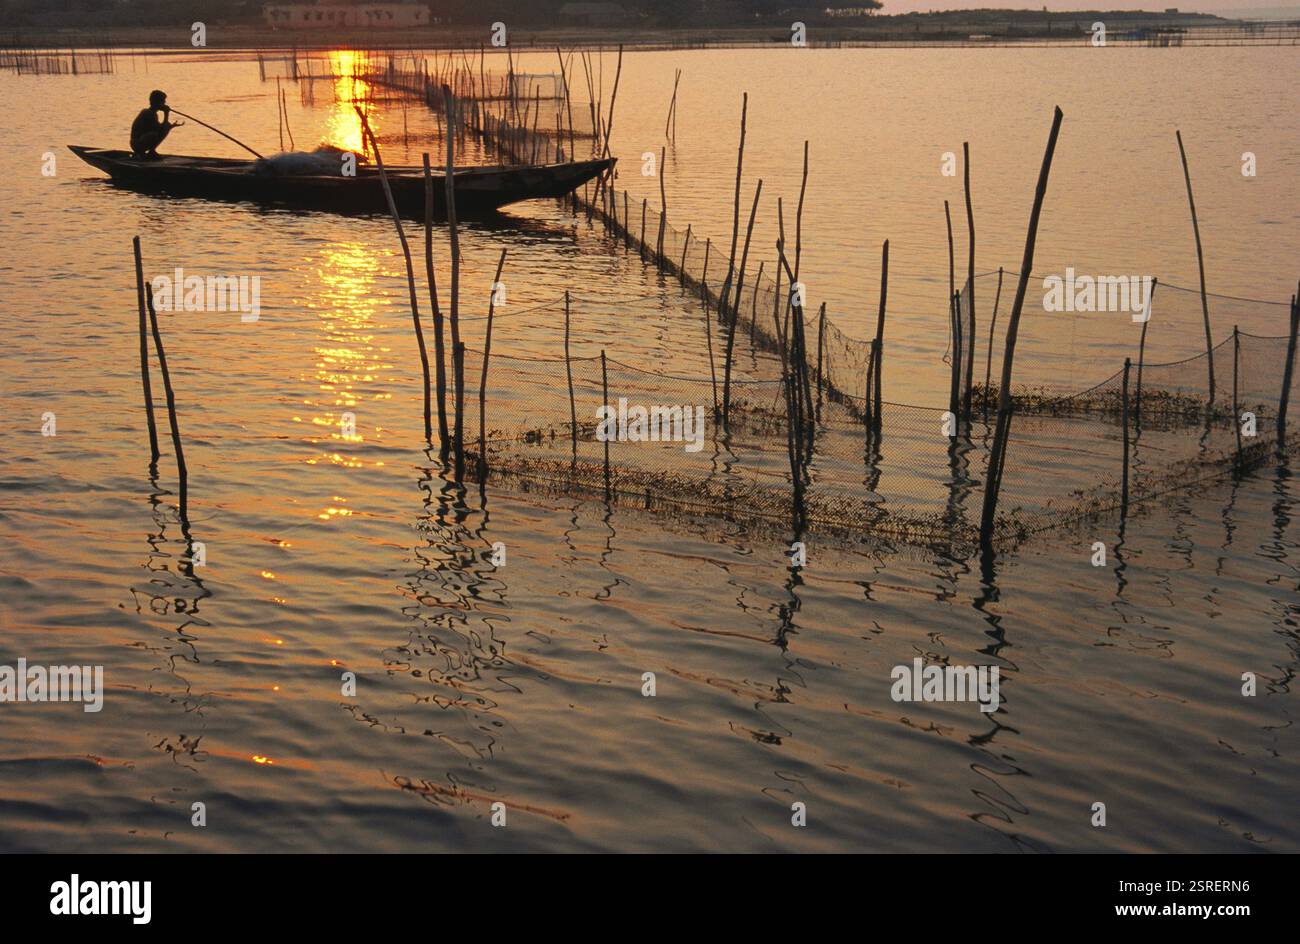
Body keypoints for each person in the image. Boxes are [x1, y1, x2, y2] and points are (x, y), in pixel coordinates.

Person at [130, 90, 183, 159]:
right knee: (154, 134)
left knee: (166, 126)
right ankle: (147, 152)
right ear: (158, 102)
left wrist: (171, 126)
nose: (165, 103)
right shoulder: (148, 113)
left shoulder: (152, 113)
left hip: (140, 141)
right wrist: (166, 114)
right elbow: (159, 130)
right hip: (137, 144)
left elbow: (160, 128)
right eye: (163, 101)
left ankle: (151, 151)